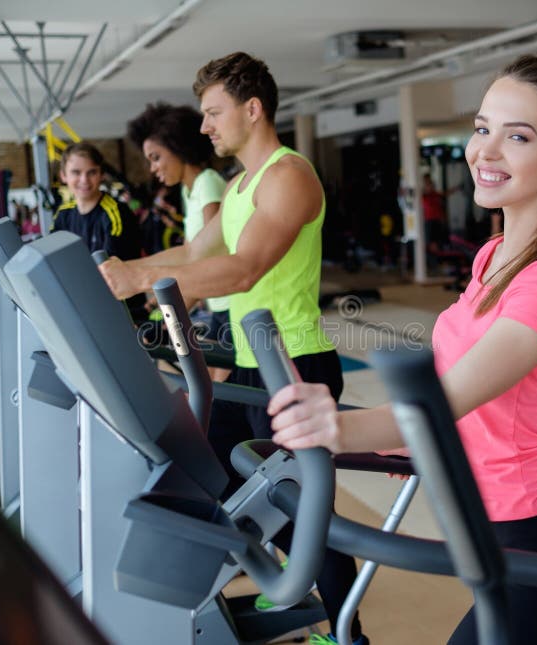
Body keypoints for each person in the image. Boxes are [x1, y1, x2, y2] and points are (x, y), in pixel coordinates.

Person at [265, 55, 537, 645]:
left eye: (518, 136)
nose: (487, 151)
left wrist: (339, 430)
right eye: (482, 128)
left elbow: (447, 399)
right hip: (488, 527)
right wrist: (366, 432)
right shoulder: (493, 254)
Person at [99, 51, 368, 645]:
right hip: (253, 362)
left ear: (253, 109)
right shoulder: (244, 184)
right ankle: (283, 583)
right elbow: (197, 255)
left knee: (300, 508)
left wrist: (142, 282)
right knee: (209, 471)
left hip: (297, 365)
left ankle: (347, 634)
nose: (204, 126)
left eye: (213, 112)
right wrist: (125, 270)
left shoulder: (289, 174)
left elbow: (244, 269)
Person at [126, 102, 232, 370]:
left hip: (232, 307)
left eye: (156, 157)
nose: (152, 168)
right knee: (212, 392)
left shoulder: (208, 182)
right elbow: (188, 255)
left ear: (178, 148)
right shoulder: (189, 191)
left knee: (218, 394)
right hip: (218, 306)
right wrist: (155, 299)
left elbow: (211, 257)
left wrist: (170, 313)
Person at [53, 142, 146, 320]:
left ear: (102, 174)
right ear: (63, 176)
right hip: (84, 306)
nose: (84, 180)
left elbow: (111, 272)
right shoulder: (62, 215)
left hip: (124, 311)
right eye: (76, 172)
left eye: (91, 172)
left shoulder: (116, 213)